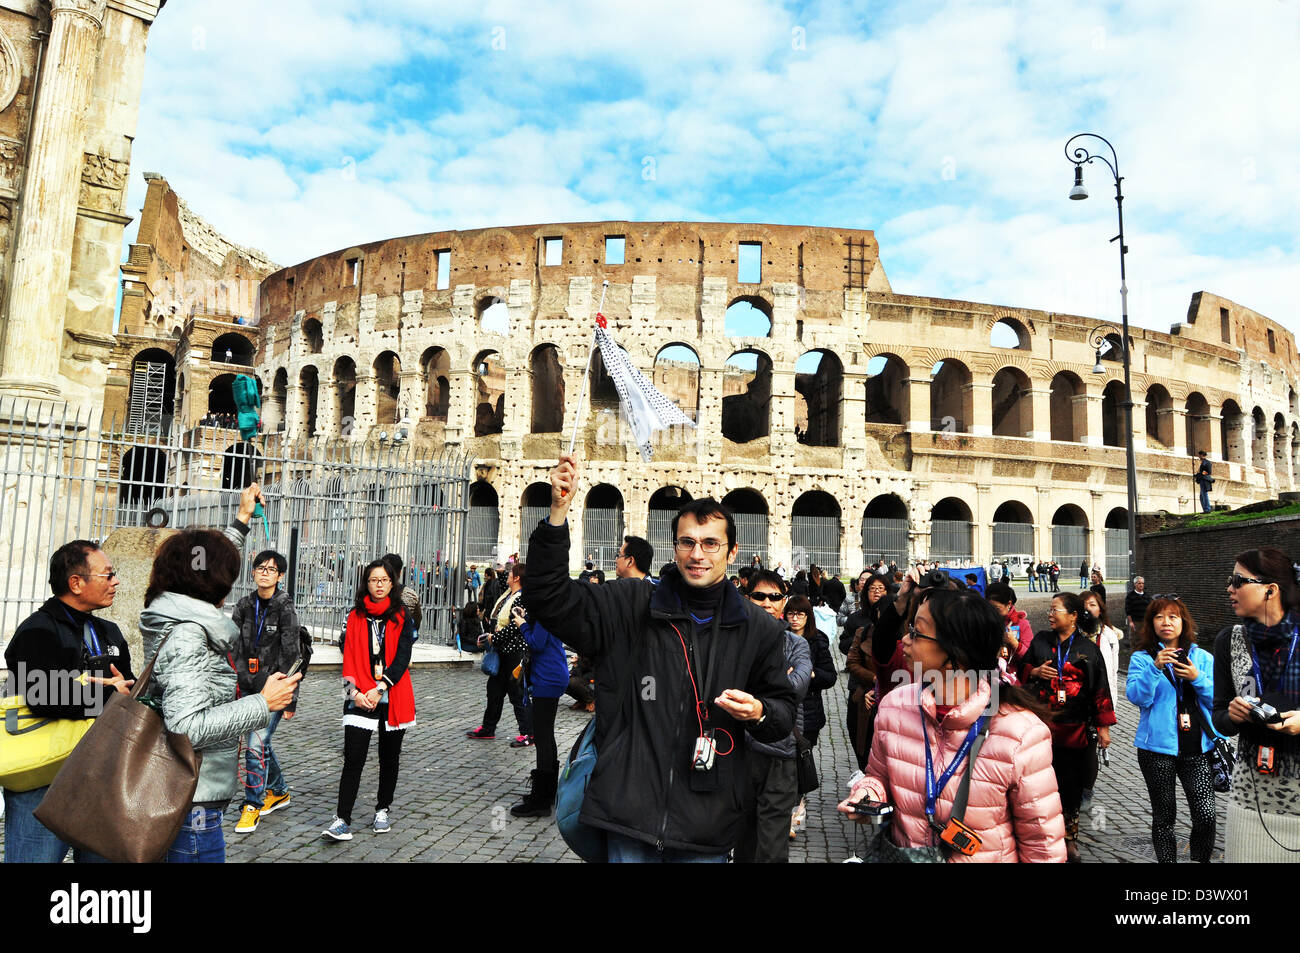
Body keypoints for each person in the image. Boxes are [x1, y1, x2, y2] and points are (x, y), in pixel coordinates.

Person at [522, 453, 795, 863]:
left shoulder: (761, 630)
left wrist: (759, 712)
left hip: (708, 821)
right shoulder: (632, 604)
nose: (697, 554)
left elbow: (782, 714)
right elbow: (551, 600)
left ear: (733, 552)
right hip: (629, 813)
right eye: (687, 542)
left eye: (710, 543)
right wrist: (558, 515)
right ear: (675, 547)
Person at [837, 587, 1066, 861]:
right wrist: (867, 793)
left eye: (917, 632)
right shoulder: (894, 707)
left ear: (956, 651)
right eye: (909, 628)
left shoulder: (1020, 733)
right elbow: (877, 776)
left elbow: (1042, 845)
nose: (906, 641)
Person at [138, 485, 301, 862]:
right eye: (226, 574)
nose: (232, 581)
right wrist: (262, 703)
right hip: (193, 799)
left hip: (189, 793)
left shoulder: (177, 610)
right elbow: (187, 727)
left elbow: (207, 565)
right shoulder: (189, 634)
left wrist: (241, 520)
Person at [3, 540, 135, 863]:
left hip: (101, 777)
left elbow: (127, 686)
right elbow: (41, 695)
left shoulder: (110, 632)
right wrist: (109, 695)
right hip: (44, 779)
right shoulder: (37, 631)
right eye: (108, 575)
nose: (116, 581)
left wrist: (127, 693)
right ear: (76, 583)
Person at [1212, 548, 1300, 861]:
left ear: (1270, 590)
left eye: (1238, 581)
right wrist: (1232, 716)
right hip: (1249, 801)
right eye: (1230, 580)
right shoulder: (1228, 640)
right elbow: (1218, 717)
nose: (1229, 589)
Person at [323, 558, 417, 840]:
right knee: (353, 758)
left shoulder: (402, 615)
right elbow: (348, 657)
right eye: (373, 580)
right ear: (366, 583)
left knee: (389, 758)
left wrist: (380, 688)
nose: (378, 585)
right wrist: (356, 694)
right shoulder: (355, 616)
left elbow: (403, 657)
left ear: (392, 583)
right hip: (359, 694)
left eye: (384, 580)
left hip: (392, 693)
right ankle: (342, 818)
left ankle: (382, 808)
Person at [1022, 592, 1116, 861]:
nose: (1050, 614)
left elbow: (1100, 688)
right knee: (1039, 783)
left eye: (1056, 610)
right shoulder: (1041, 640)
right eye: (1050, 610)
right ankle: (1040, 835)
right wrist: (1035, 672)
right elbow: (1019, 671)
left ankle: (1069, 837)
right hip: (1040, 726)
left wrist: (1104, 727)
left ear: (1073, 616)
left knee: (1071, 784)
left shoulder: (1088, 649)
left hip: (1075, 727)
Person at [1126, 596, 1218, 862]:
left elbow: (1218, 700)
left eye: (1173, 617)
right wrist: (1155, 668)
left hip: (1197, 748)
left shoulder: (1202, 657)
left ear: (1183, 622)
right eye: (1159, 617)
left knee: (1205, 814)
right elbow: (1137, 697)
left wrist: (1196, 678)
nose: (1166, 622)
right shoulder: (1142, 658)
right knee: (1164, 816)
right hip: (1156, 750)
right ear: (1151, 623)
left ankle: (1200, 860)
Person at [734, 571, 811, 862]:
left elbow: (795, 688)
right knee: (742, 837)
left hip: (781, 752)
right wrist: (775, 681)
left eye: (775, 597)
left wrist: (750, 688)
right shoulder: (733, 640)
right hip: (739, 749)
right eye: (759, 596)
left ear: (783, 603)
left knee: (771, 843)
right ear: (746, 599)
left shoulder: (796, 645)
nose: (767, 602)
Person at [231, 549, 302, 835]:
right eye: (260, 567)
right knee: (262, 744)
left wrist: (290, 699)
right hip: (246, 686)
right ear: (253, 572)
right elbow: (231, 646)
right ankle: (280, 790)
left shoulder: (285, 607)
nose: (264, 572)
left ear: (280, 575)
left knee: (255, 745)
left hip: (273, 690)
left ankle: (252, 804)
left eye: (271, 569)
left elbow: (292, 655)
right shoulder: (244, 604)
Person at [784, 593, 835, 840]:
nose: (795, 619)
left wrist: (809, 674)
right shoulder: (779, 638)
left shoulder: (818, 641)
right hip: (783, 709)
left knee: (800, 762)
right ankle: (785, 814)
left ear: (808, 616)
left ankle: (796, 813)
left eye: (800, 614)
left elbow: (831, 677)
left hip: (810, 711)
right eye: (791, 613)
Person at [466, 562, 534, 745]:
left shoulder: (521, 598)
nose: (508, 576)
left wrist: (494, 639)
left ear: (518, 578)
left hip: (514, 653)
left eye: (512, 573)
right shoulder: (507, 594)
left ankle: (528, 733)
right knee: (494, 691)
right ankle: (488, 727)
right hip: (501, 651)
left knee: (517, 693)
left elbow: (515, 627)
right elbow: (503, 580)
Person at [511, 604, 568, 818]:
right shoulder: (548, 610)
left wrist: (523, 624)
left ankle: (541, 799)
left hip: (548, 676)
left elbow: (537, 643)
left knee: (542, 736)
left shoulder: (546, 612)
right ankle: (547, 791)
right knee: (546, 735)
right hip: (551, 674)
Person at [1079, 589, 1121, 811]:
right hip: (1075, 698)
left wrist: (1110, 706)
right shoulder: (1072, 633)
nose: (1089, 609)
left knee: (1091, 745)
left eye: (1093, 605)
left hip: (1099, 698)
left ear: (1100, 609)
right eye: (1085, 605)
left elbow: (1112, 674)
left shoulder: (1109, 636)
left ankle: (1087, 789)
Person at [985, 581, 1033, 681]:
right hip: (987, 676)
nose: (992, 612)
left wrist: (1014, 643)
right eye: (989, 608)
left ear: (1009, 604)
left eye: (996, 608)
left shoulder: (1022, 624)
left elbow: (1030, 658)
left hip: (1013, 678)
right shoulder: (984, 621)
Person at [1125, 576, 1152, 642]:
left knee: (1145, 639)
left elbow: (1150, 608)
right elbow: (1128, 609)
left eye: (1142, 583)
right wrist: (1131, 622)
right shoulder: (1130, 595)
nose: (1141, 585)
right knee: (1135, 640)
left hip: (1145, 621)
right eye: (1139, 583)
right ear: (1135, 584)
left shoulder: (1147, 595)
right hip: (1135, 622)